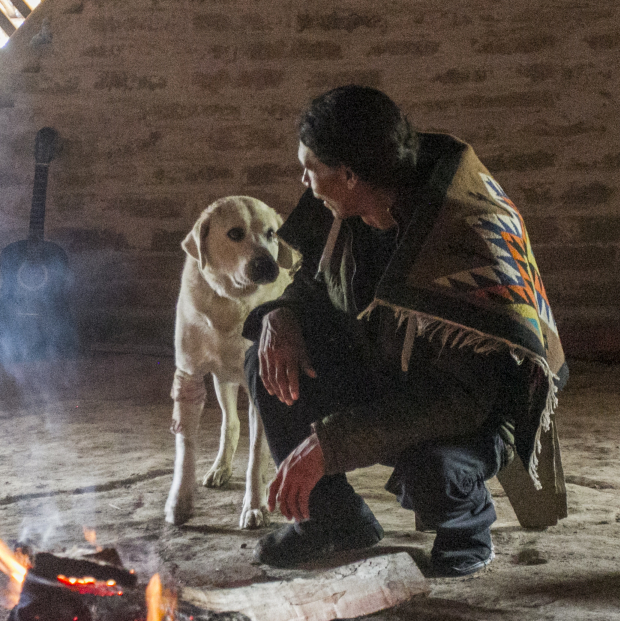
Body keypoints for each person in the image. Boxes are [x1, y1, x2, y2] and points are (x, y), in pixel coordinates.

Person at [243, 85, 567, 577]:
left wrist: (333, 442)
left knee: (433, 471)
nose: (304, 182)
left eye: (311, 168)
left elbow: (462, 398)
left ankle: (467, 525)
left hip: (470, 409)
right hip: (386, 363)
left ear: (350, 175)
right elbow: (313, 282)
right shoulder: (350, 209)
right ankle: (333, 519)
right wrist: (280, 315)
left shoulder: (465, 233)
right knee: (267, 360)